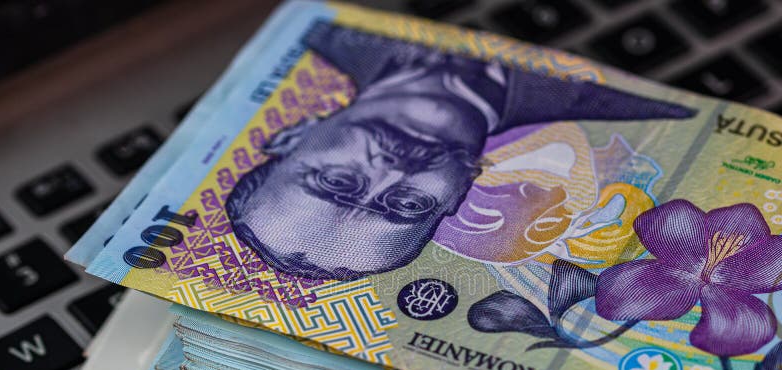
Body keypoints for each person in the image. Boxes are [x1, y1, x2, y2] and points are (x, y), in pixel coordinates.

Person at [226, 21, 696, 281]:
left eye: (337, 181)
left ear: (292, 137)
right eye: (408, 204)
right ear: (458, 196)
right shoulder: (662, 107)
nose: (394, 172)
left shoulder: (318, 26)